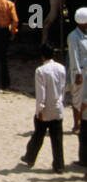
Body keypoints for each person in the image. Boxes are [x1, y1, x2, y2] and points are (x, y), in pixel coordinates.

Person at [21, 43, 66, 174]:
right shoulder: (61, 68)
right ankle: (59, 165)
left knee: (38, 135)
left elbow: (41, 93)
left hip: (46, 109)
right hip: (58, 107)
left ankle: (30, 157)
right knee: (57, 138)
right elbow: (62, 88)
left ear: (42, 55)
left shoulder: (40, 71)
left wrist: (39, 109)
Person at [67, 8, 87, 134]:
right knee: (78, 99)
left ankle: (81, 122)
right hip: (80, 72)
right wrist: (77, 73)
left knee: (85, 99)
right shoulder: (73, 37)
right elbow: (73, 56)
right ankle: (76, 124)